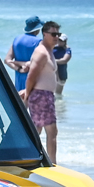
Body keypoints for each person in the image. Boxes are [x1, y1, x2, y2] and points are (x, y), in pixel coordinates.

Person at [23, 20, 65, 160]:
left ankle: (30, 158)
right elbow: (31, 76)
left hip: (45, 95)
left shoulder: (48, 51)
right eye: (53, 34)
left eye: (58, 34)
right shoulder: (42, 52)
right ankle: (52, 163)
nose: (56, 37)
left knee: (38, 130)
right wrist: (27, 94)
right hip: (41, 95)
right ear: (44, 34)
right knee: (51, 131)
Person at [9, 17, 44, 91]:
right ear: (37, 29)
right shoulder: (39, 42)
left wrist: (19, 69)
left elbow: (7, 60)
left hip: (19, 81)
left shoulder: (17, 39)